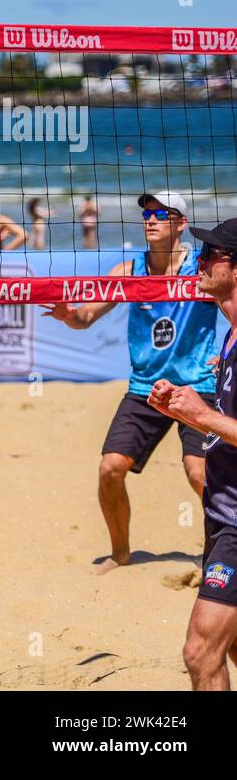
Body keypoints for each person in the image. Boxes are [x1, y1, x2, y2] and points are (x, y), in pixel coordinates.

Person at [43, 191, 219, 572]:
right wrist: (68, 316)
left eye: (161, 214)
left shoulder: (201, 272)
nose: (150, 220)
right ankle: (120, 553)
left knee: (198, 473)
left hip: (196, 386)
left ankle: (220, 552)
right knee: (110, 468)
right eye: (147, 214)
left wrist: (227, 351)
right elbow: (85, 317)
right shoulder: (128, 272)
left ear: (181, 224)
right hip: (146, 389)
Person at [146, 218, 237, 690]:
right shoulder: (229, 333)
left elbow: (218, 422)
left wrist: (202, 417)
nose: (198, 261)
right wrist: (187, 410)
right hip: (221, 513)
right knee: (230, 647)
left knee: (200, 652)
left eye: (212, 255)